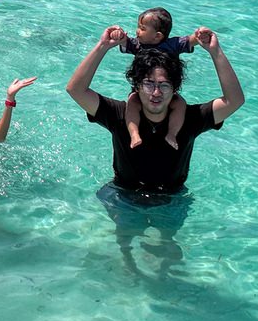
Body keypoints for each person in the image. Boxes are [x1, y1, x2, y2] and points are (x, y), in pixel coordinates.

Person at [66, 24, 245, 234]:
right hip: (124, 194)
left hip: (171, 198)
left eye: (165, 85)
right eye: (149, 84)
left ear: (175, 89)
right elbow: (75, 89)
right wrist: (103, 46)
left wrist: (216, 52)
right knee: (124, 241)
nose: (156, 92)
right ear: (137, 86)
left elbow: (234, 100)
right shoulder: (119, 115)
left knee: (167, 248)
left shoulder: (190, 119)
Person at [118, 6, 194, 149]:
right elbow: (124, 41)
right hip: (140, 92)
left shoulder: (172, 45)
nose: (137, 31)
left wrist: (200, 36)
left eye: (142, 28)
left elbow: (190, 40)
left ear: (157, 35)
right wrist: (118, 35)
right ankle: (134, 134)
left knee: (180, 104)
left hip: (167, 93)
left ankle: (172, 133)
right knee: (132, 102)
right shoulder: (137, 45)